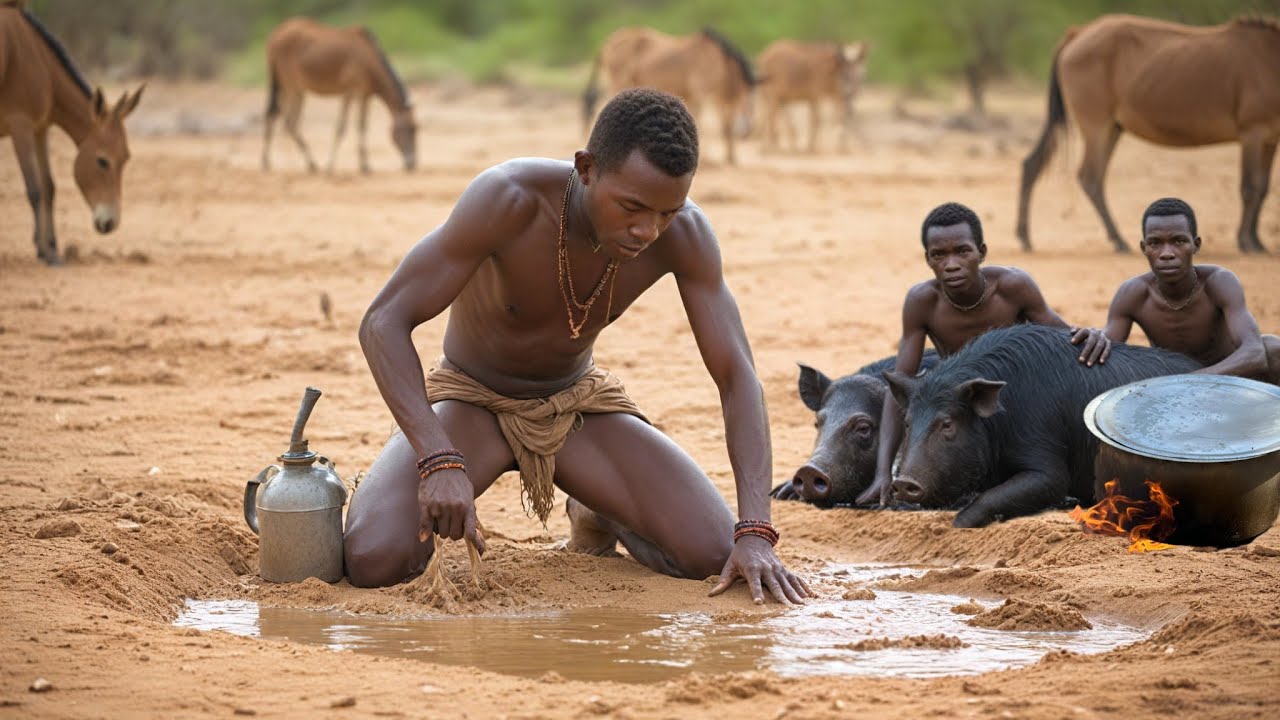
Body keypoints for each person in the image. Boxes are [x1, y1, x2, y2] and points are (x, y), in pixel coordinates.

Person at [344, 88, 809, 605]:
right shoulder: (508, 199)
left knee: (715, 557)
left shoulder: (687, 235)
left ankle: (596, 507)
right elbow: (382, 322)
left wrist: (755, 529)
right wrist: (436, 458)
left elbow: (737, 375)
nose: (647, 230)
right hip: (472, 404)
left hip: (574, 408)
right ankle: (405, 476)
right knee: (373, 560)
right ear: (587, 168)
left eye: (667, 213)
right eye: (632, 207)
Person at [859, 202, 1109, 507]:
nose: (951, 264)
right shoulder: (922, 302)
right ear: (928, 259)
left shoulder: (1012, 286)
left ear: (982, 252)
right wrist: (883, 472)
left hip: (1020, 416)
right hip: (959, 415)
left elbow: (1064, 342)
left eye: (962, 251)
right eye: (939, 255)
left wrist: (1091, 334)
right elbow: (900, 387)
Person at [1082, 197, 1278, 382]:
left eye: (1178, 241)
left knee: (1273, 349)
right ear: (1144, 248)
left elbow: (1255, 353)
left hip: (1228, 378)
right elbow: (1107, 352)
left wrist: (1191, 380)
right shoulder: (1133, 294)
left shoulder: (1218, 282)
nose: (1167, 254)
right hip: (1170, 389)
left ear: (1196, 245)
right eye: (1155, 243)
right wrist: (1098, 339)